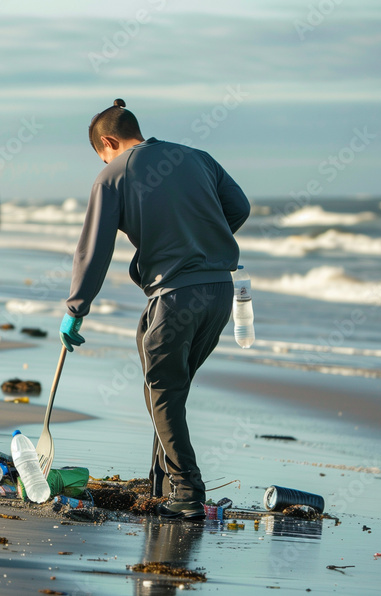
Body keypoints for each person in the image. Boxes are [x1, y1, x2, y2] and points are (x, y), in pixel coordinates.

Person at [59, 99, 250, 521]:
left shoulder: (113, 174)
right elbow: (240, 208)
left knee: (162, 389)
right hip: (219, 291)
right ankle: (161, 483)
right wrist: (201, 240)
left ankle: (187, 489)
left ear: (108, 142)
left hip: (175, 296)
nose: (105, 161)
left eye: (103, 154)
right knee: (167, 387)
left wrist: (76, 308)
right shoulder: (198, 158)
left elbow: (94, 250)